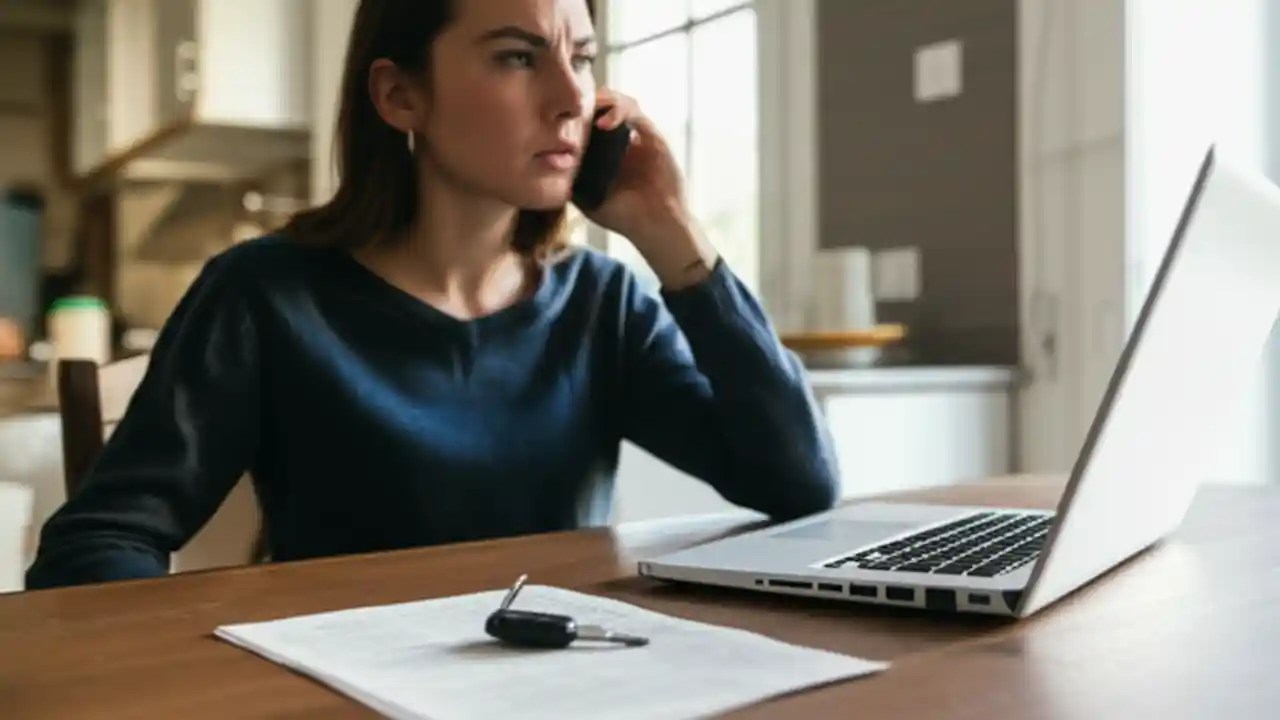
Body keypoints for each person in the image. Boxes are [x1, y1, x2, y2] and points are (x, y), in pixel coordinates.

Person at [25, 0, 839, 590]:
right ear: (399, 97)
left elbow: (795, 482)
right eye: (518, 56)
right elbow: (103, 537)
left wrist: (669, 229)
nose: (571, 98)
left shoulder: (603, 303)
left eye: (582, 57)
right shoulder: (264, 295)